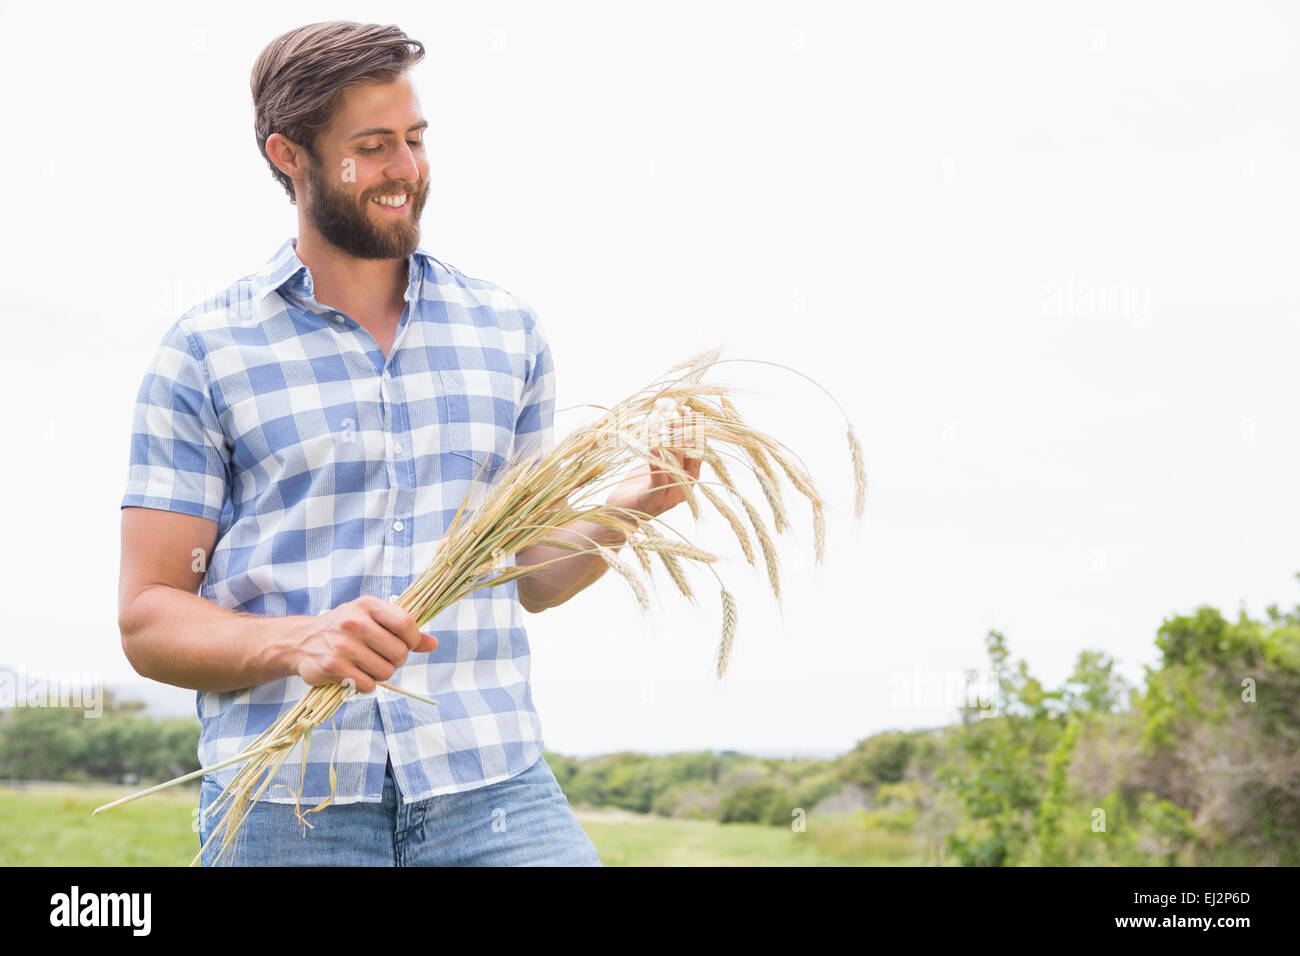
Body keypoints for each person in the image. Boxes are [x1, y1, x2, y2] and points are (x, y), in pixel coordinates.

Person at [117, 20, 700, 866]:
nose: (406, 170)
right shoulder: (205, 351)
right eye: (374, 145)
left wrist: (631, 506)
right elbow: (147, 619)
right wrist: (299, 641)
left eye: (416, 139)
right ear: (290, 155)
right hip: (291, 806)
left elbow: (531, 574)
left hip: (495, 791)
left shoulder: (506, 333)